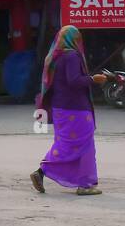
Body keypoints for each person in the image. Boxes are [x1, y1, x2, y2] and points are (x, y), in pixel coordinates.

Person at [30, 25, 107, 196]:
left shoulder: (57, 57)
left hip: (61, 108)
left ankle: (43, 173)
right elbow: (74, 81)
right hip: (76, 109)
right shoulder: (72, 56)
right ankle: (84, 184)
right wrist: (93, 79)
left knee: (65, 144)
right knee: (85, 146)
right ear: (74, 39)